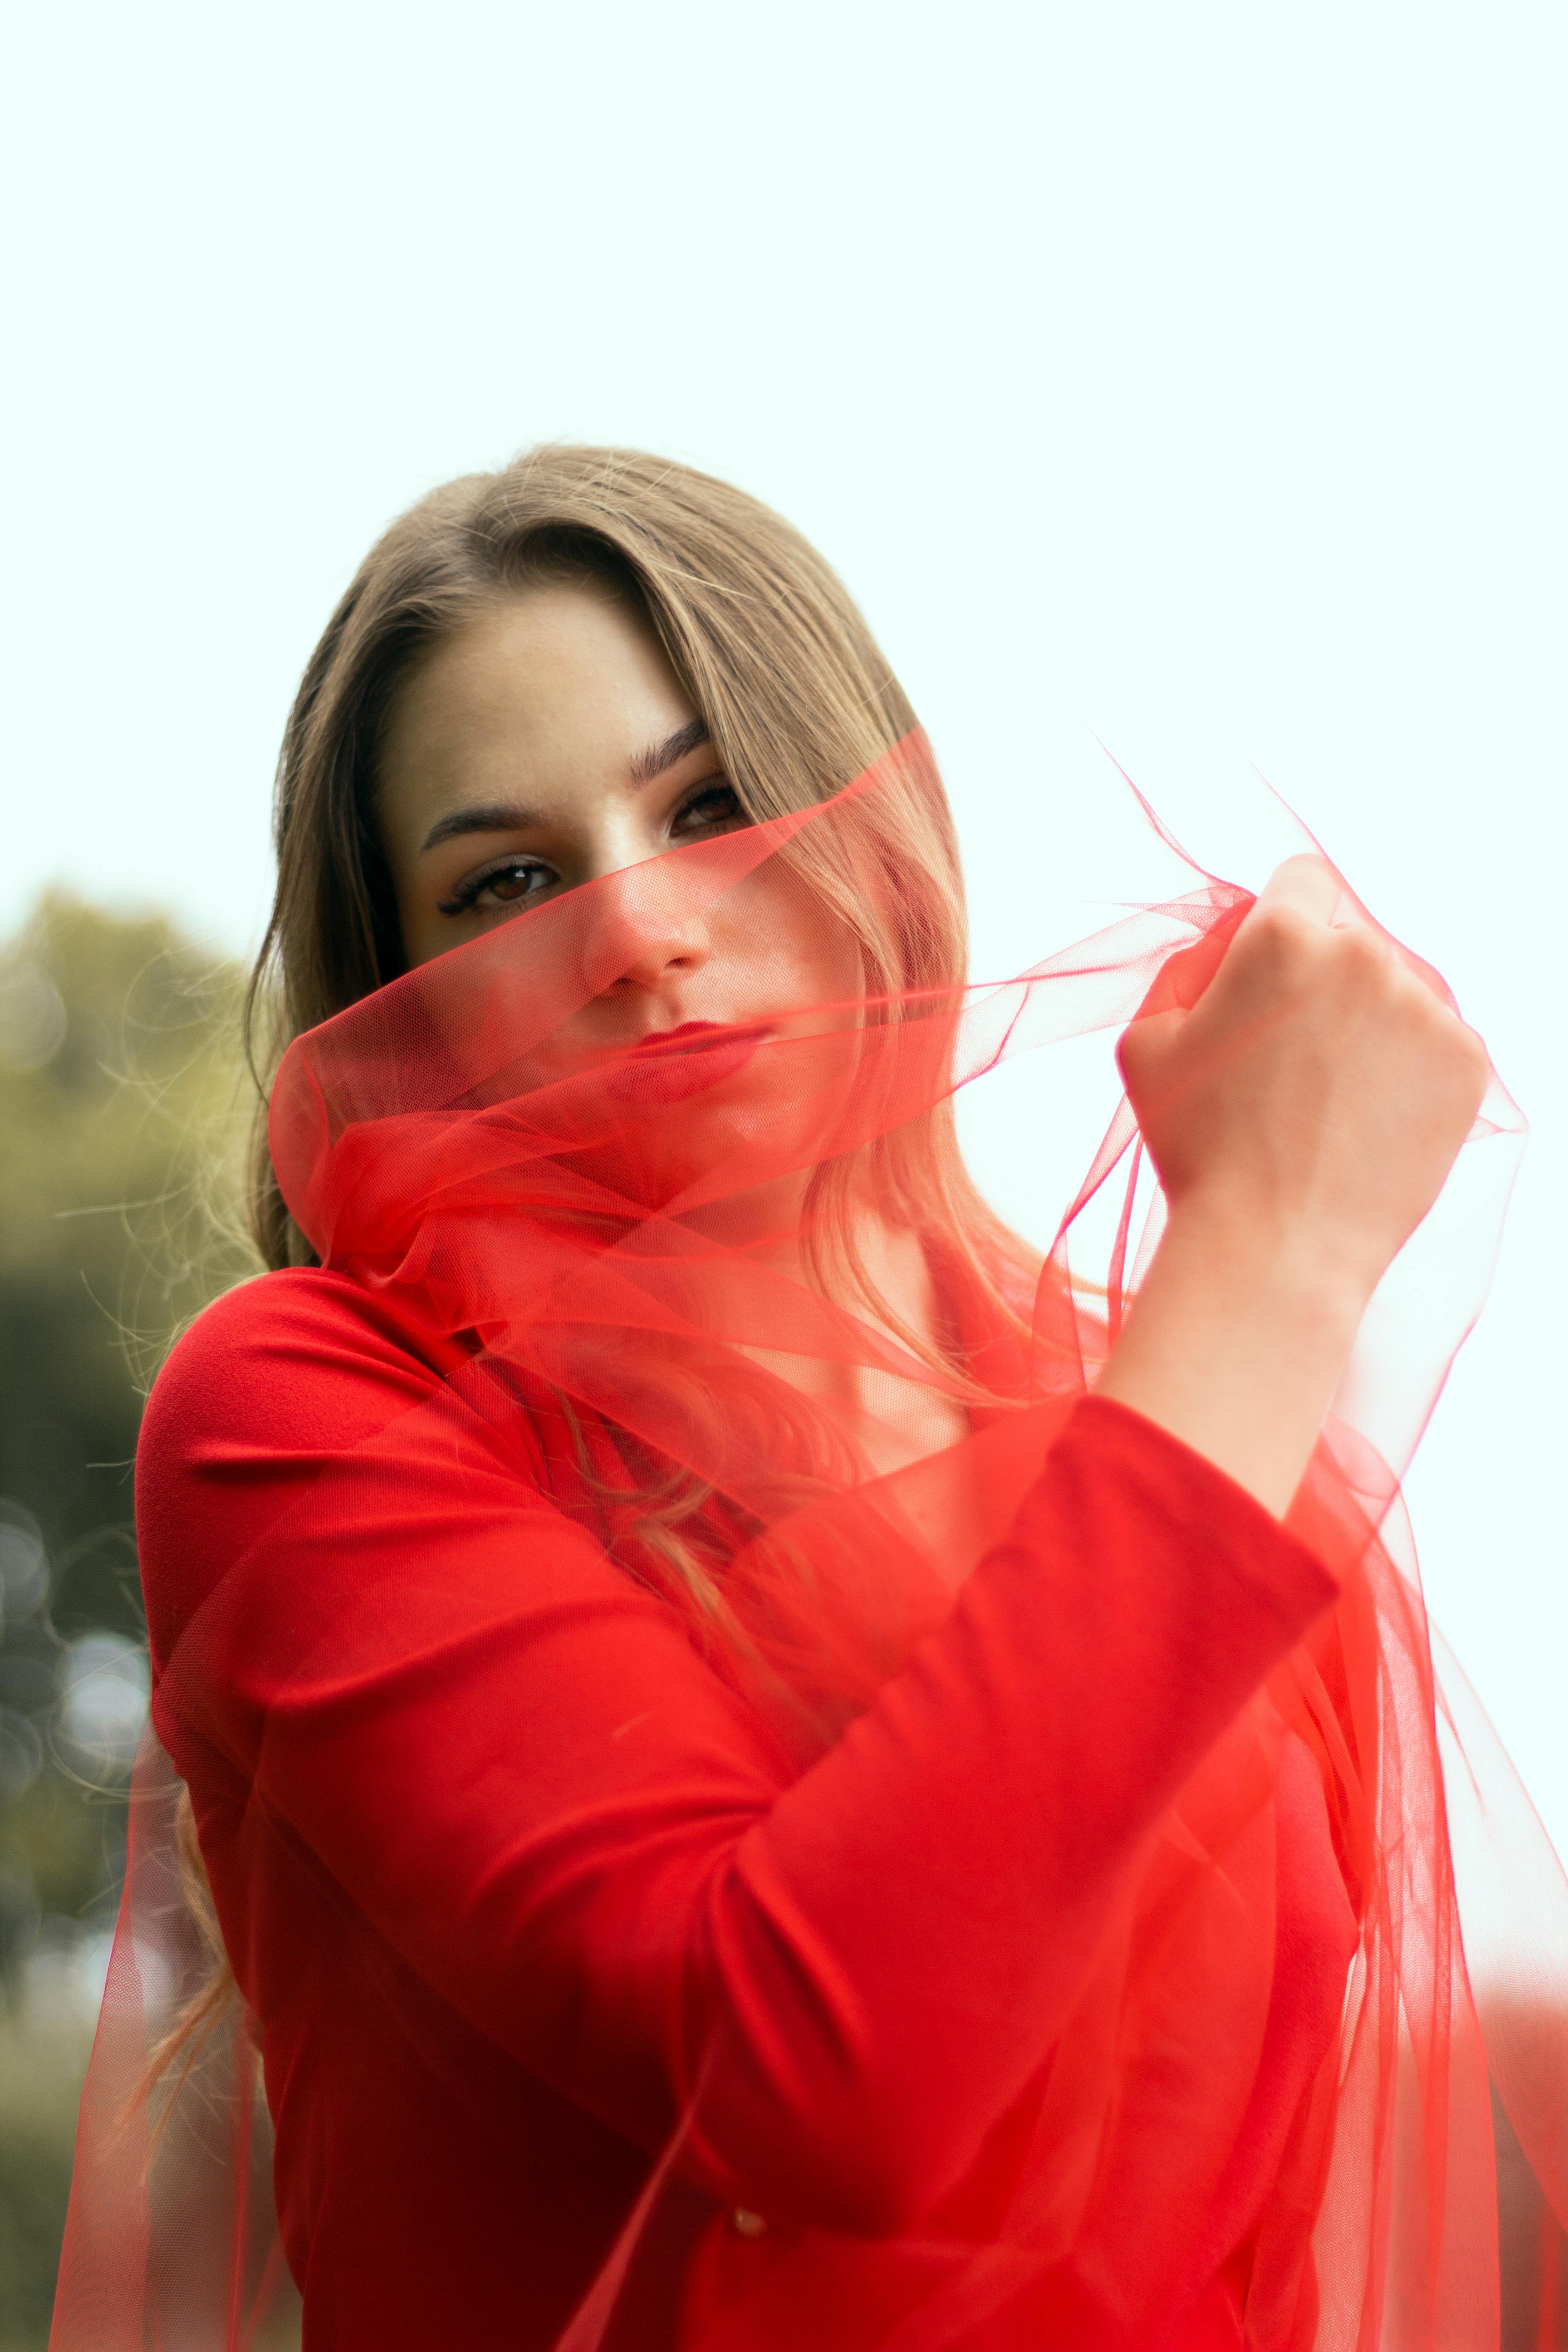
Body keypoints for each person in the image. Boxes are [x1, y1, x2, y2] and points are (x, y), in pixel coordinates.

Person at [47, 447, 1562, 2351]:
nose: (640, 927)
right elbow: (821, 2076)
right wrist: (1267, 1258)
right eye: (506, 880)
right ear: (399, 1001)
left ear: (885, 818)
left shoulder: (1170, 1429)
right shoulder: (309, 1415)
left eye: (719, 802)